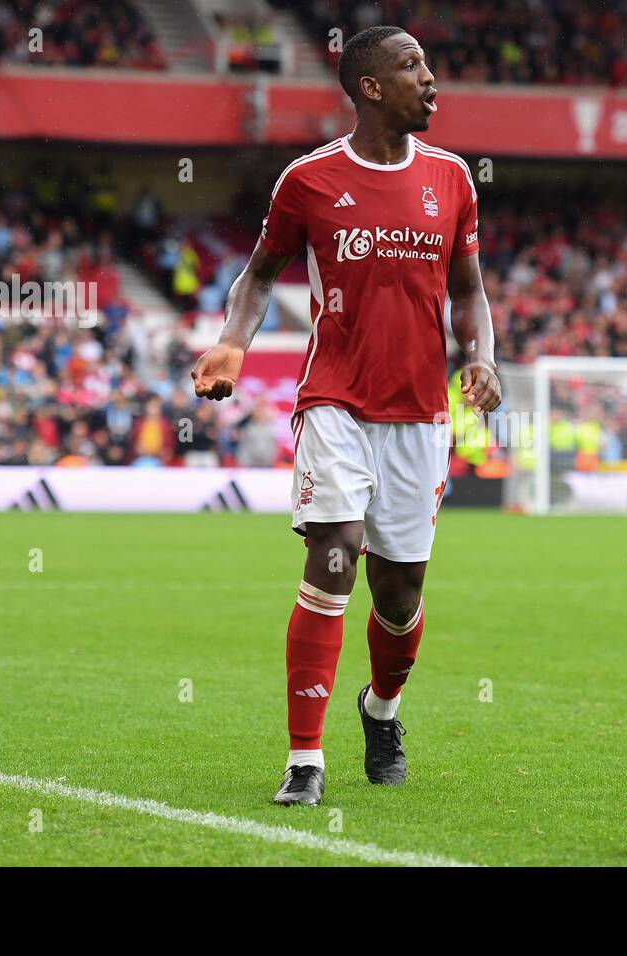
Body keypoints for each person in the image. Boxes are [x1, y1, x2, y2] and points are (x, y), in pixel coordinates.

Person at [191, 25, 501, 806]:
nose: (431, 81)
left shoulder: (453, 180)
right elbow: (260, 275)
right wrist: (232, 342)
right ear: (370, 87)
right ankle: (304, 760)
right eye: (412, 68)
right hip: (335, 399)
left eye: (428, 66)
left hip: (421, 415)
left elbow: (468, 292)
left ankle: (381, 710)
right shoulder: (309, 180)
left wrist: (482, 356)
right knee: (334, 558)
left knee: (399, 598)